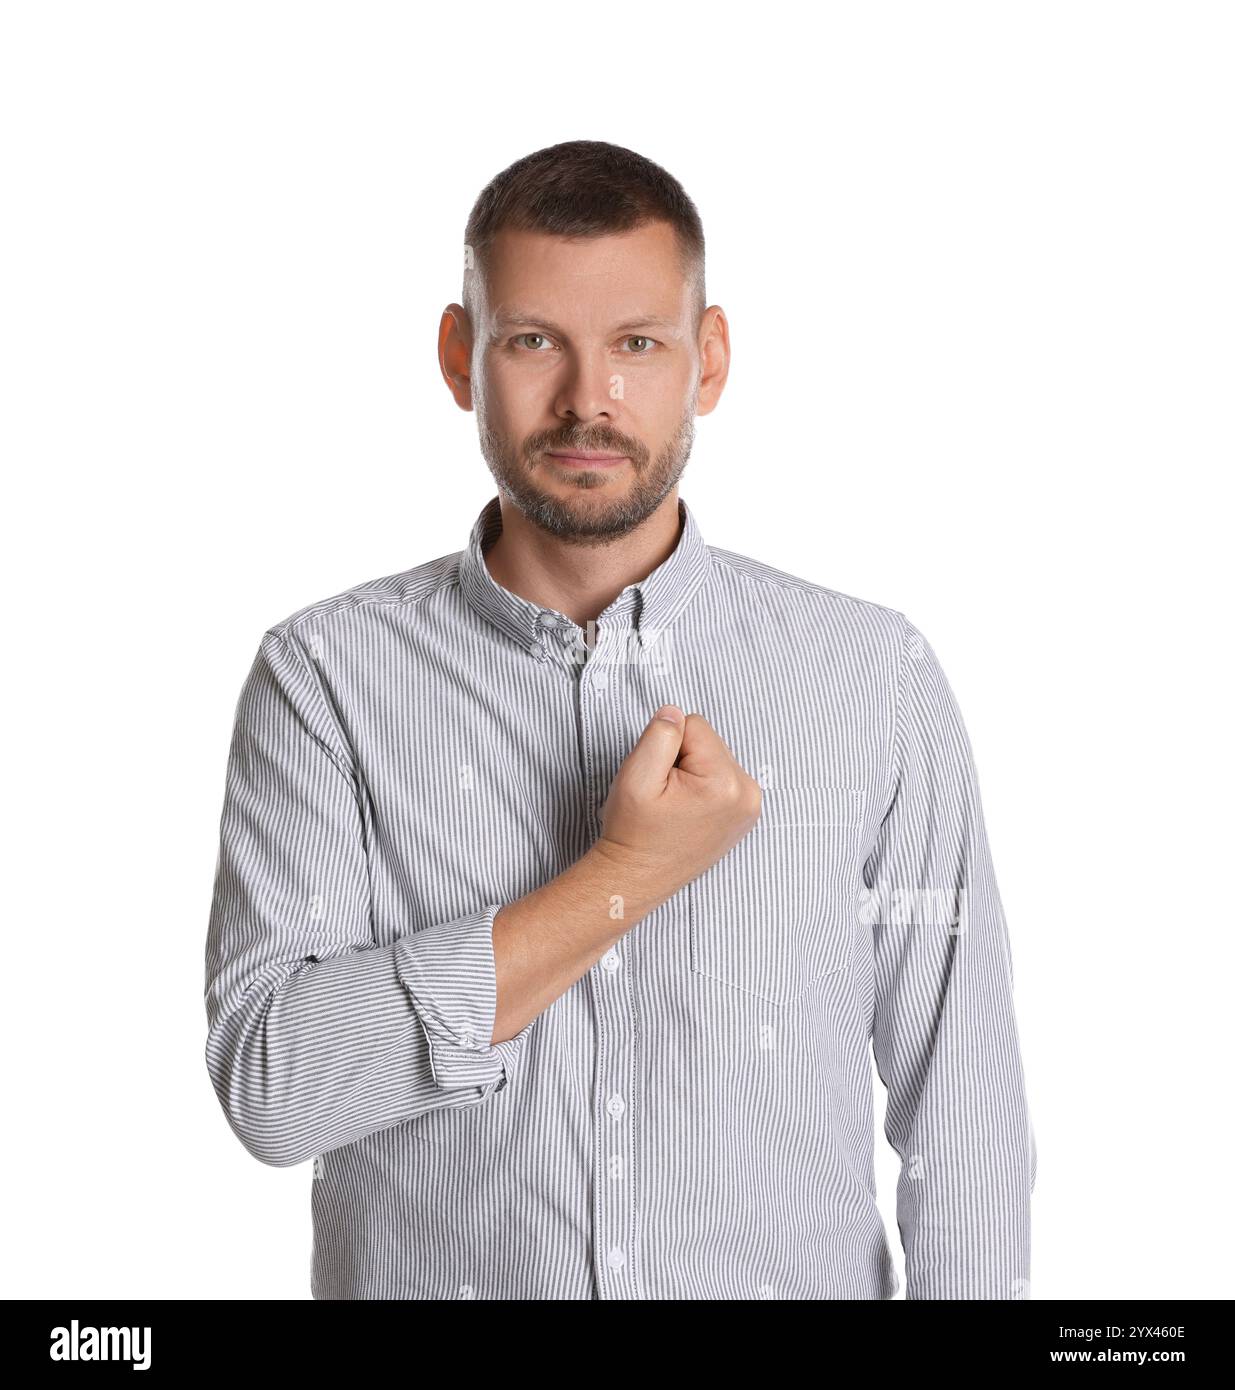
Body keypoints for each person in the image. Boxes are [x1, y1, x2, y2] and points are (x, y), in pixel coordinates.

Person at [204, 139, 1036, 1300]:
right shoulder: (324, 678)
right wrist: (622, 880)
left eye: (637, 344)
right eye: (533, 340)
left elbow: (964, 1119)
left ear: (708, 360)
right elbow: (274, 1085)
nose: (587, 398)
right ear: (460, 357)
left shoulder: (868, 675)